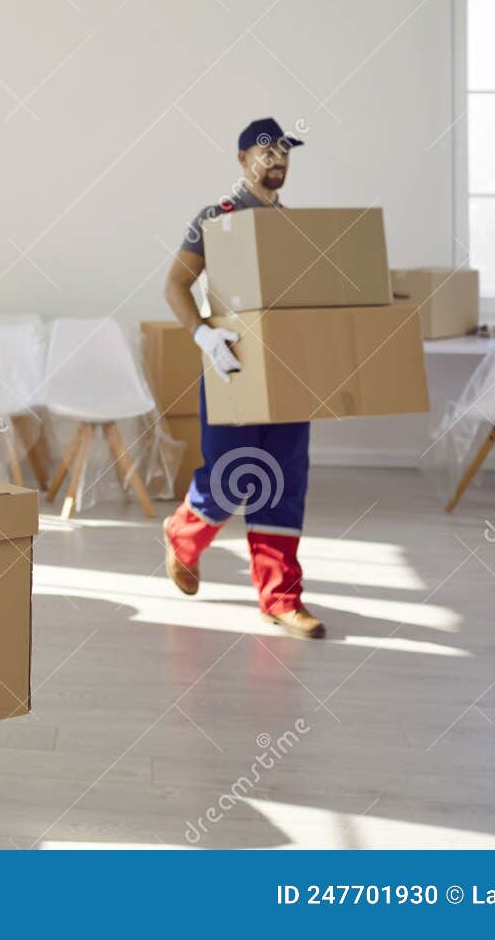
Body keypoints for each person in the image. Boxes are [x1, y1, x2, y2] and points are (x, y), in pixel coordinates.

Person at [159, 117, 325, 640]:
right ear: (241, 159)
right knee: (232, 475)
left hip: (288, 370)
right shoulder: (218, 217)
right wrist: (203, 336)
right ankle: (183, 535)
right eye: (264, 150)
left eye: (283, 151)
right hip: (233, 367)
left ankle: (281, 599)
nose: (276, 158)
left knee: (284, 478)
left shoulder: (297, 230)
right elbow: (176, 286)